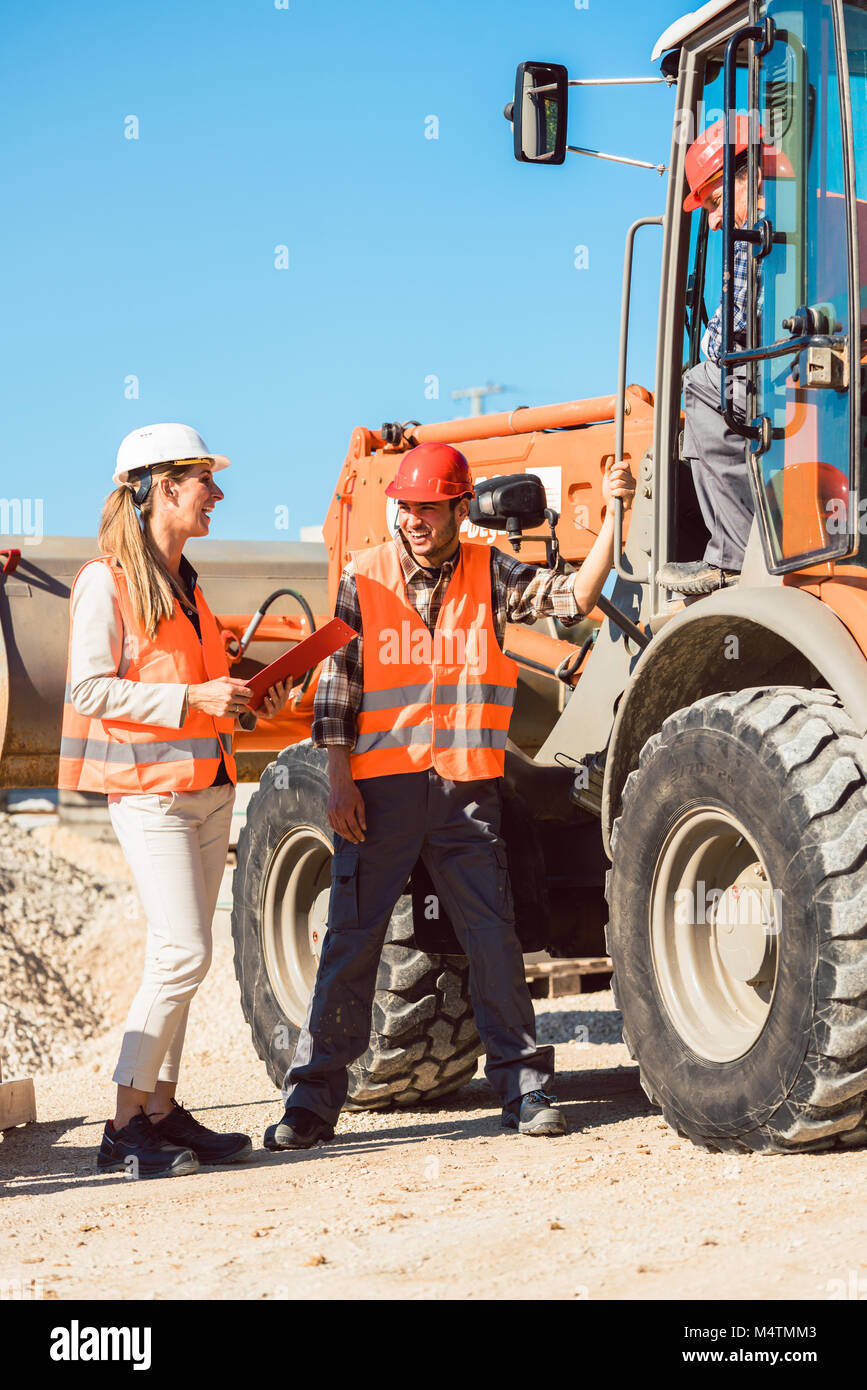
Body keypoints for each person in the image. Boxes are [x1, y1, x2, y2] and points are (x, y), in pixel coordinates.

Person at [264, 440, 635, 1151]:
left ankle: (524, 1091)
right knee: (350, 943)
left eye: (428, 508)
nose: (414, 520)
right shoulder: (364, 575)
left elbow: (575, 597)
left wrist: (616, 511)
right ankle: (309, 1104)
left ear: (459, 510)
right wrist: (338, 778)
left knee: (492, 940)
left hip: (465, 789)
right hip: (379, 791)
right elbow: (338, 688)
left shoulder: (487, 571)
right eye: (406, 507)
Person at [59, 422, 291, 1179]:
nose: (216, 494)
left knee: (187, 960)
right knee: (181, 952)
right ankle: (123, 1124)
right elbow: (90, 688)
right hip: (149, 793)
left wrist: (249, 689)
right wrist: (196, 693)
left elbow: (196, 690)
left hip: (207, 788)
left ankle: (161, 1111)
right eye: (204, 480)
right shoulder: (107, 581)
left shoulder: (185, 582)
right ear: (163, 486)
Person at [659, 117, 790, 596]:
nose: (713, 220)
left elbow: (728, 342)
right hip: (811, 375)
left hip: (780, 381)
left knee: (700, 383)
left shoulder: (760, 236)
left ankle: (733, 558)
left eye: (714, 202)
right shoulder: (828, 210)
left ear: (749, 174)